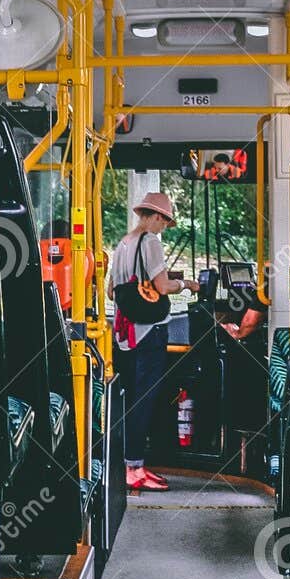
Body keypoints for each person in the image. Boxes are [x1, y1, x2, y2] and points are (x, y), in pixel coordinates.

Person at [109, 191, 199, 492]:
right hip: (149, 332)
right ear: (157, 217)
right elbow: (161, 286)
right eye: (165, 221)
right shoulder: (150, 242)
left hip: (125, 334)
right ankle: (134, 468)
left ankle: (127, 464)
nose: (164, 227)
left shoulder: (123, 243)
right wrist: (185, 283)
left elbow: (112, 291)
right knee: (145, 400)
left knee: (130, 398)